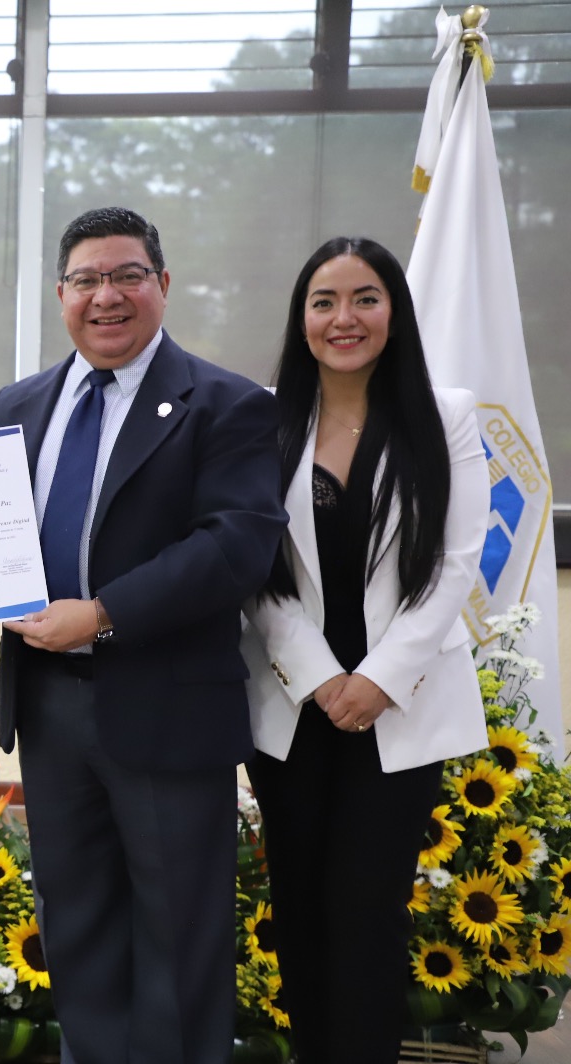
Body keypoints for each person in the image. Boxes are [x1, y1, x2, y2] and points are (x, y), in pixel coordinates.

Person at [0, 206, 287, 1063]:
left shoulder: (229, 404)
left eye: (127, 276)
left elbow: (236, 544)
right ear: (60, 294)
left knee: (179, 936)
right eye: (87, 280)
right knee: (79, 926)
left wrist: (102, 613)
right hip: (50, 708)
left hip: (166, 709)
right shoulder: (18, 404)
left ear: (162, 284)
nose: (107, 296)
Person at [240, 237, 488, 1064]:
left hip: (399, 706)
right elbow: (254, 566)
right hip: (294, 705)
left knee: (369, 913)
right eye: (324, 301)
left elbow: (455, 561)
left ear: (394, 312)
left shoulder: (447, 415)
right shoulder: (261, 417)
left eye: (365, 298)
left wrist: (378, 680)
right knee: (300, 910)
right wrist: (320, 678)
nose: (343, 318)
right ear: (301, 318)